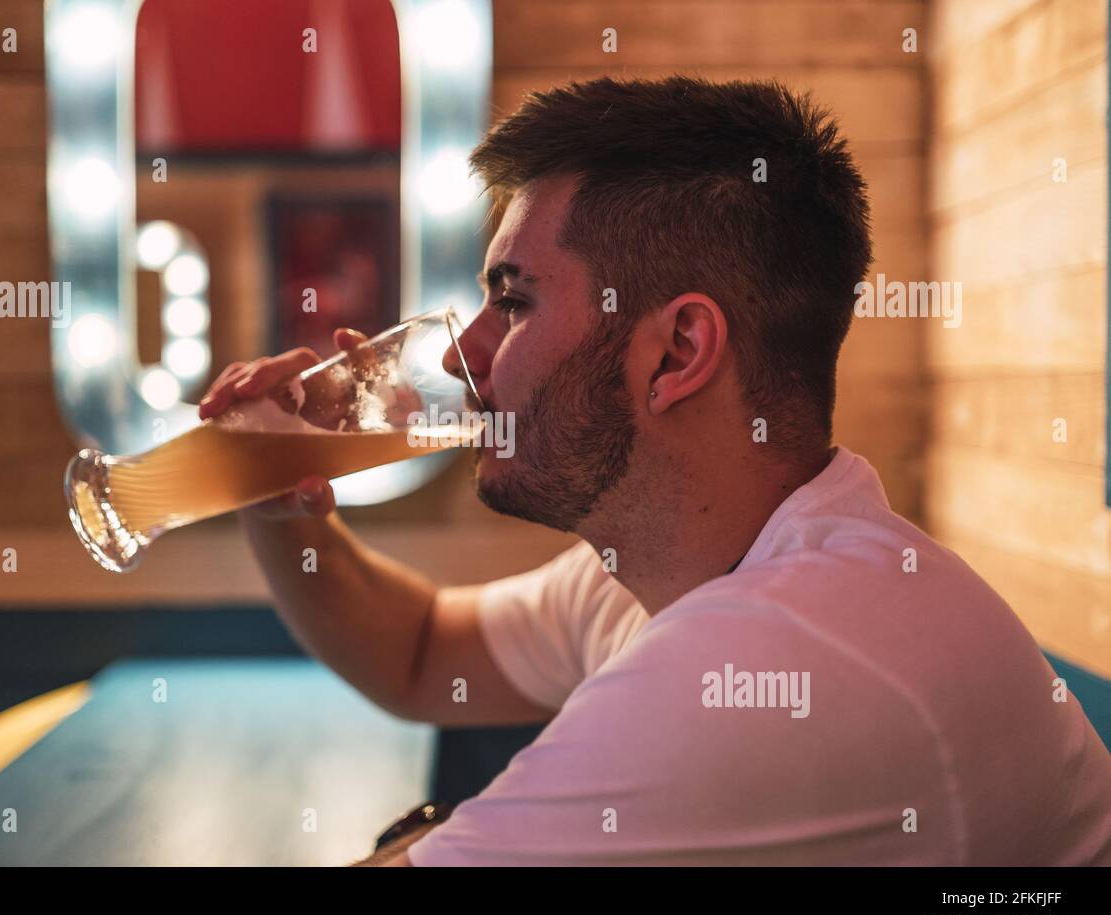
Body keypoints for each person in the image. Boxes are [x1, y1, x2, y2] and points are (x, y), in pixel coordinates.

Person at [198, 75, 1111, 866]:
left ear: (677, 352)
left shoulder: (771, 662)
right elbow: (422, 652)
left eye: (511, 302)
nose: (456, 357)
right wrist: (285, 508)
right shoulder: (692, 559)